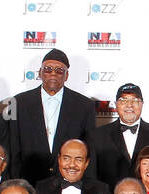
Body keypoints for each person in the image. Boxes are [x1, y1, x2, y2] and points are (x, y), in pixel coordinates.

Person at [10, 49, 96, 183]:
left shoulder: (84, 106)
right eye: (48, 69)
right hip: (28, 183)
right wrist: (15, 183)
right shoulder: (18, 102)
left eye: (59, 70)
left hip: (69, 182)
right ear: (40, 73)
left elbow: (90, 150)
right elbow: (13, 149)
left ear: (67, 76)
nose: (53, 74)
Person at [88, 83, 149, 190]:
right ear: (116, 104)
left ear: (142, 104)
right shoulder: (96, 136)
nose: (129, 105)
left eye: (135, 100)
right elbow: (91, 178)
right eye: (124, 100)